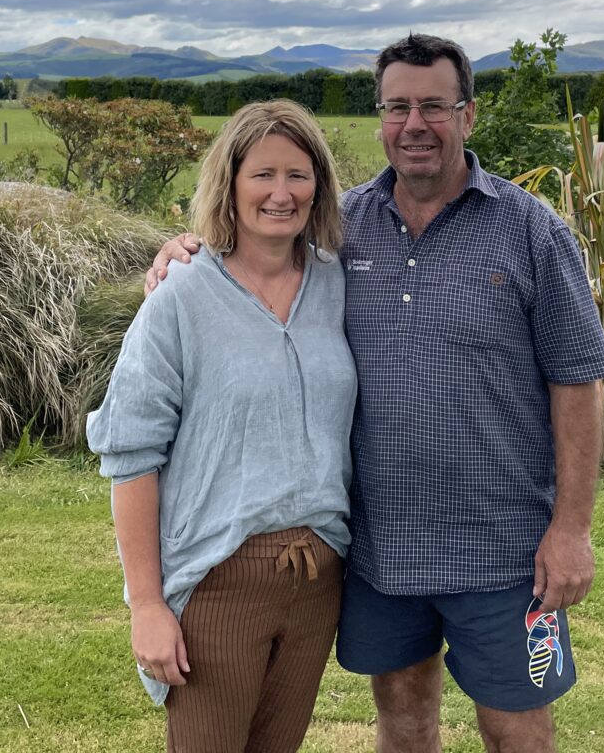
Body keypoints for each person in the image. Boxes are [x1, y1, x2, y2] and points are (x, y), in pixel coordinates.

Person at [149, 34, 604, 753]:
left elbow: (578, 384)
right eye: (397, 106)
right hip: (380, 548)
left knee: (518, 730)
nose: (414, 124)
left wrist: (571, 529)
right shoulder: (343, 228)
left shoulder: (532, 232)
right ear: (380, 118)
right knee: (401, 713)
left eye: (434, 105)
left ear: (467, 114)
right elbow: (254, 244)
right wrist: (184, 250)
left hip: (506, 552)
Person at [88, 99, 357, 753]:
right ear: (229, 183)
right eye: (262, 174)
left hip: (318, 581)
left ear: (318, 184)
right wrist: (147, 605)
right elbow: (132, 455)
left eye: (298, 175)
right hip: (218, 581)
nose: (281, 193)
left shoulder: (338, 283)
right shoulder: (182, 295)